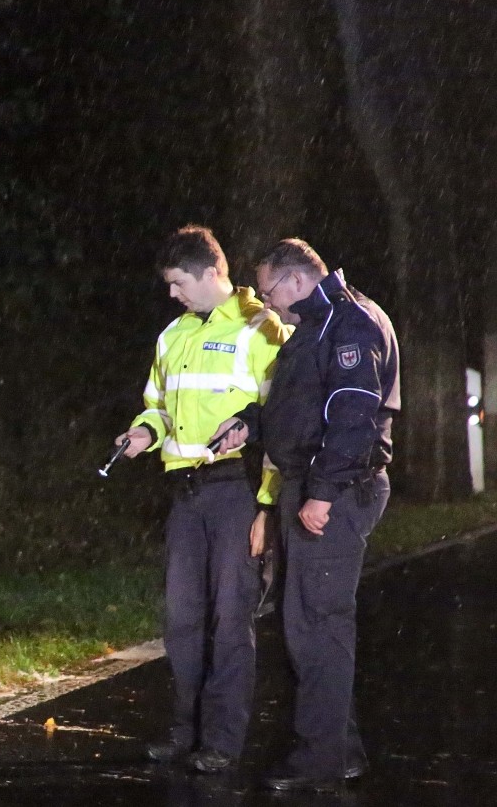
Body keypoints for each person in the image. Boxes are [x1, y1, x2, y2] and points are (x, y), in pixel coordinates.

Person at [211, 239, 398, 791]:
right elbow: (298, 405)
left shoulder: (349, 322)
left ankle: (319, 763)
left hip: (334, 491)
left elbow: (352, 411)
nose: (268, 306)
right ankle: (340, 752)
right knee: (309, 624)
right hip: (310, 485)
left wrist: (322, 491)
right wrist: (252, 422)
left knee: (317, 627)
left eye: (269, 293)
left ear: (295, 282)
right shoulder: (316, 327)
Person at [116, 225, 287, 774]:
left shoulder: (264, 327)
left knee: (231, 619)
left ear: (212, 273)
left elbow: (282, 420)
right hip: (186, 494)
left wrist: (267, 506)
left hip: (236, 489)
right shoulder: (172, 337)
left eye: (177, 283)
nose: (172, 294)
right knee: (182, 619)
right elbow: (160, 406)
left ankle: (223, 740)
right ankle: (183, 731)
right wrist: (144, 432)